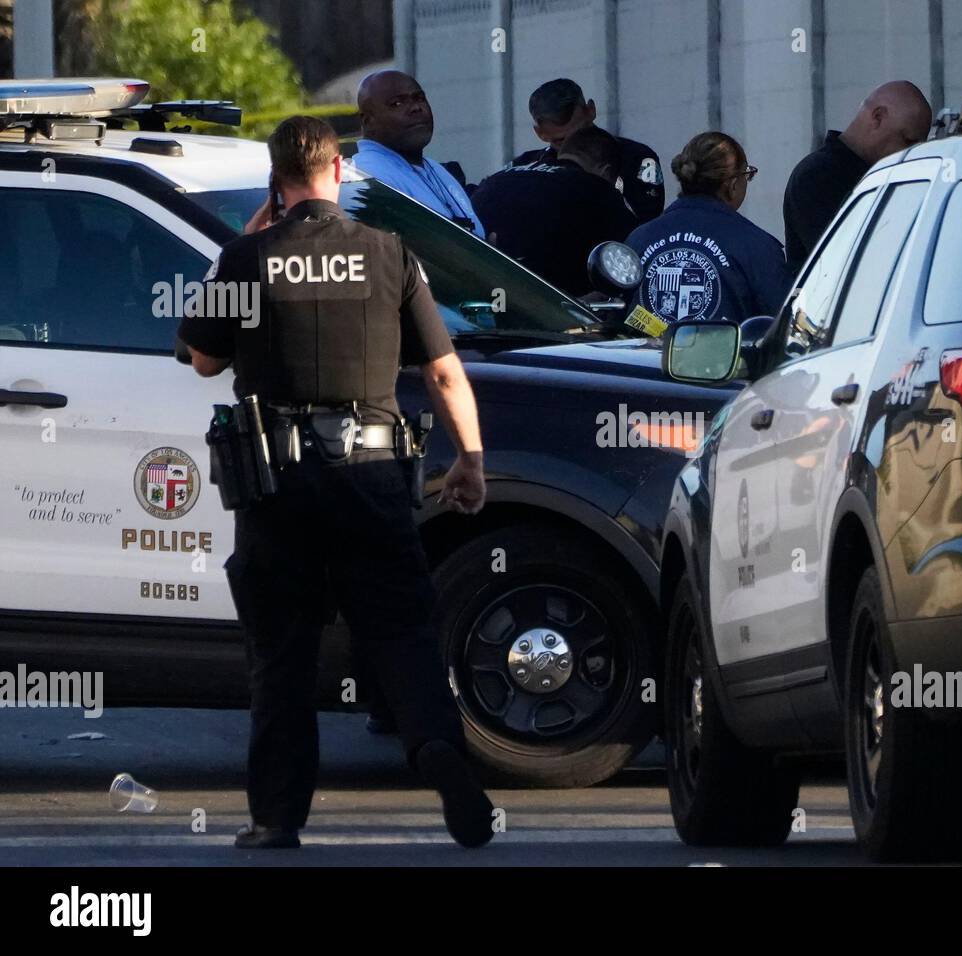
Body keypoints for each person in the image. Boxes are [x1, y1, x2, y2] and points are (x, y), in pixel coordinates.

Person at [177, 116, 495, 850]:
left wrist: (253, 231)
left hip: (276, 487)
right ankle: (439, 751)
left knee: (282, 658)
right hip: (374, 480)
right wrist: (469, 460)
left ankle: (276, 819)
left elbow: (202, 359)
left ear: (276, 178)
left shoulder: (247, 257)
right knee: (403, 635)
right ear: (340, 174)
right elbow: (442, 370)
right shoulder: (390, 253)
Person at [626, 132, 790, 326]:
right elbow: (780, 327)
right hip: (721, 356)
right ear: (733, 184)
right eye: (747, 174)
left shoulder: (638, 240)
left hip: (649, 356)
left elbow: (621, 321)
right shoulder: (758, 248)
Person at [783, 80, 932, 272]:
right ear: (877, 117)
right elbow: (848, 262)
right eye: (907, 141)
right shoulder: (818, 176)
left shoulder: (878, 174)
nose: (910, 154)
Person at [472, 126, 638, 296]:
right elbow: (634, 249)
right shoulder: (596, 189)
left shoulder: (497, 179)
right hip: (546, 307)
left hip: (471, 290)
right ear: (606, 172)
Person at [509, 78, 664, 226]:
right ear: (540, 133)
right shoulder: (523, 168)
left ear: (591, 110)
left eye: (581, 133)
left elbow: (646, 224)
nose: (573, 146)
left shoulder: (637, 158)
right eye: (561, 140)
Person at [353, 69, 486, 238]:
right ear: (367, 120)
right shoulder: (369, 176)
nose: (416, 108)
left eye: (419, 98)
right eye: (397, 103)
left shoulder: (435, 168)